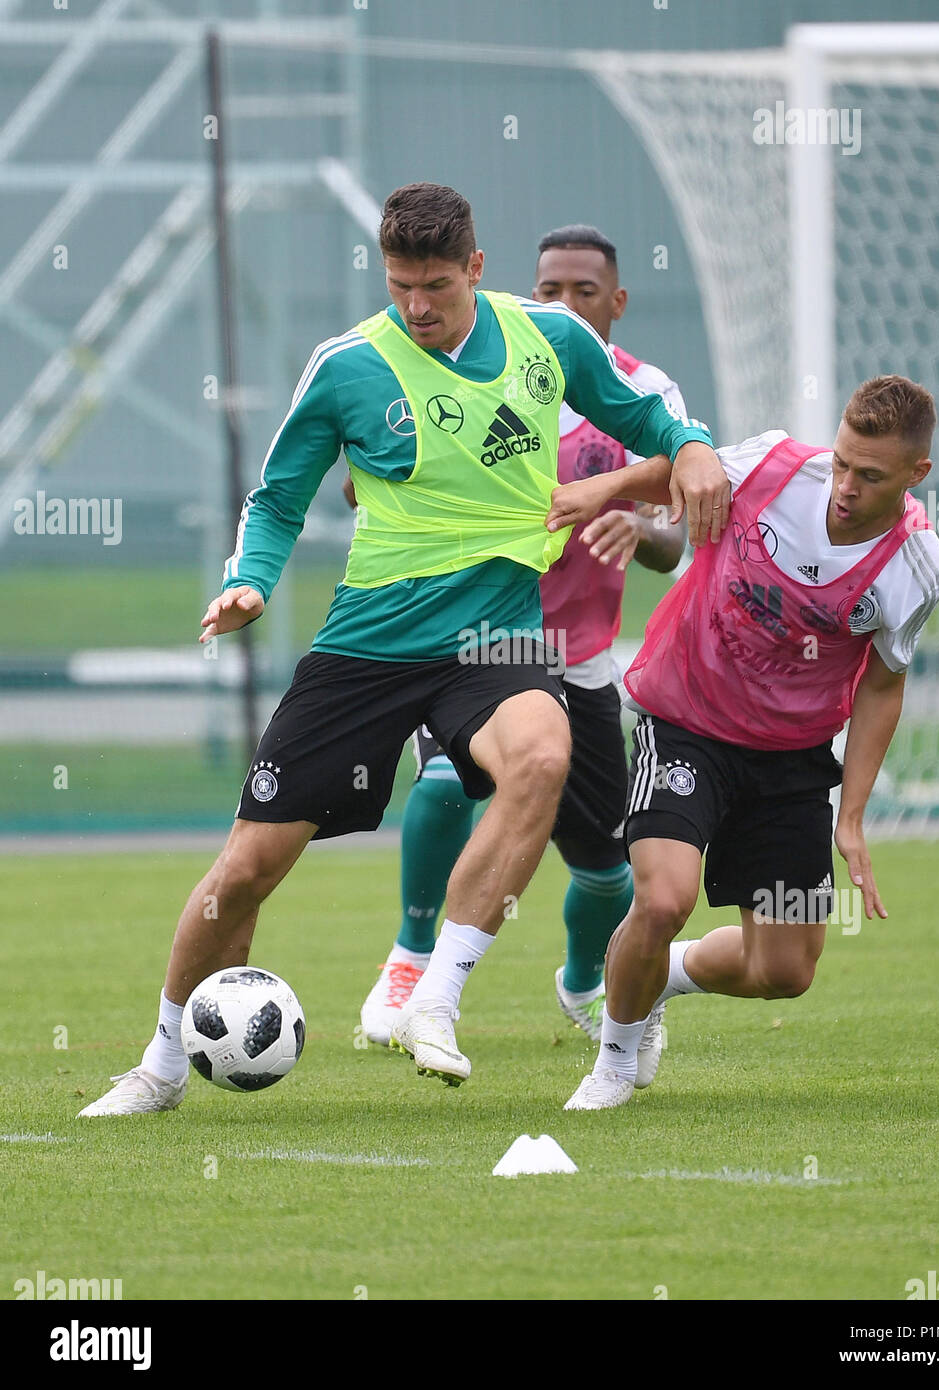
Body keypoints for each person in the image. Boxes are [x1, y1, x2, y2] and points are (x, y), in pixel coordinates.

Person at [78, 182, 728, 1115]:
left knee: (543, 755)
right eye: (399, 286)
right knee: (248, 869)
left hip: (495, 632)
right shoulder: (347, 366)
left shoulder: (551, 338)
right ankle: (159, 1064)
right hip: (370, 643)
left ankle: (435, 996)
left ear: (475, 268)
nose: (417, 306)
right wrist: (251, 580)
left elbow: (649, 420)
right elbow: (278, 496)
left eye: (435, 286)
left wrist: (692, 446)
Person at [544, 375, 939, 1110]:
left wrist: (853, 817)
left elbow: (883, 686)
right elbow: (685, 470)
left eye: (870, 475)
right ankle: (614, 1062)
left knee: (784, 971)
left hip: (792, 756)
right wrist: (600, 489)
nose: (846, 486)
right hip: (687, 718)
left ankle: (661, 975)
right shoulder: (775, 467)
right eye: (843, 462)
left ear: (916, 473)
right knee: (663, 898)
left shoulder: (915, 566)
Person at [358, 224, 688, 1052]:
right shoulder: (469, 369)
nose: (563, 304)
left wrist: (633, 522)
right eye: (549, 290)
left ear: (616, 302)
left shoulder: (646, 395)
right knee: (443, 785)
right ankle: (410, 958)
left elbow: (674, 539)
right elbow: (369, 481)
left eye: (584, 291)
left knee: (605, 871)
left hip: (579, 658)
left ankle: (582, 981)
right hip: (478, 639)